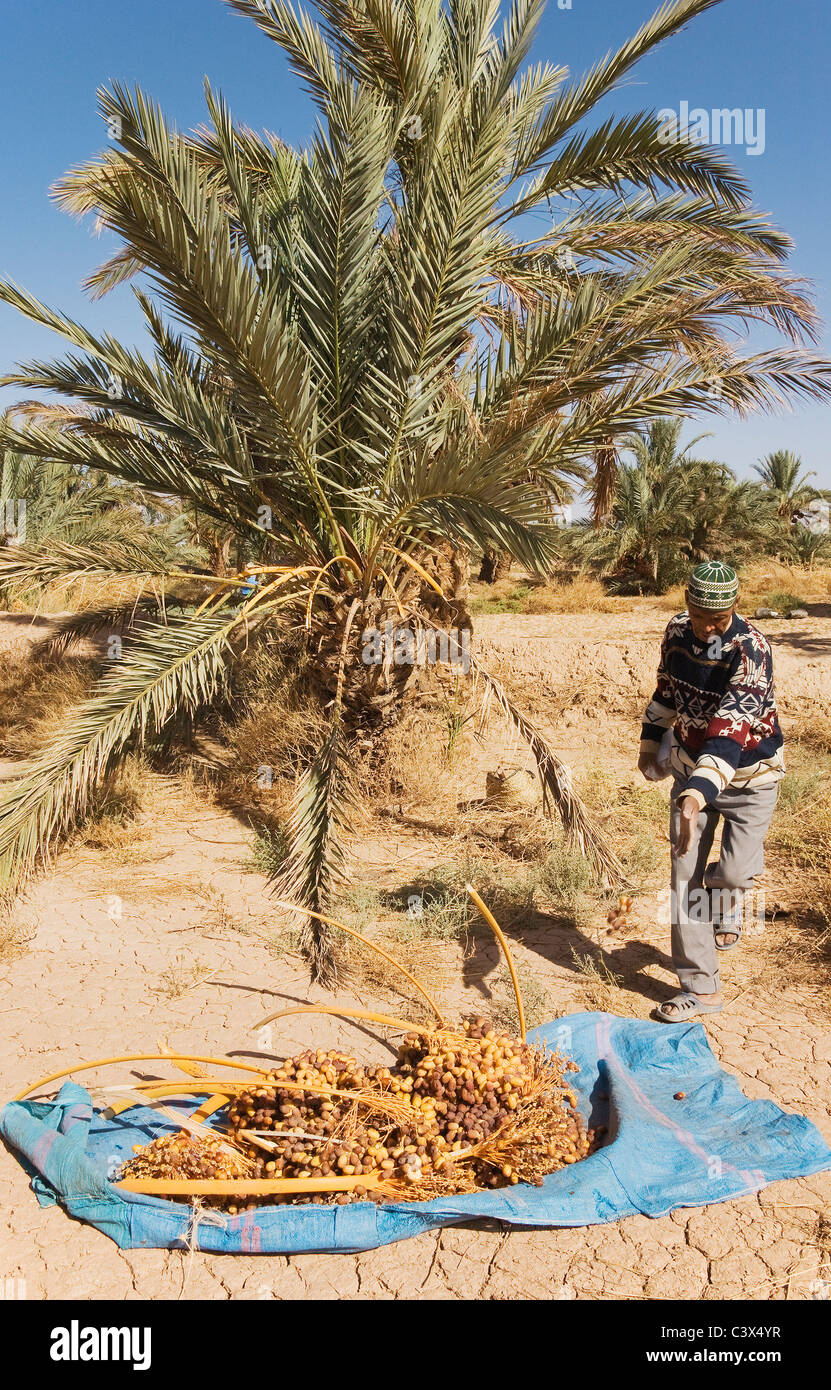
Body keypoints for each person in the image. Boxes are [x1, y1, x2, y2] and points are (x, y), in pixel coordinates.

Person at [638, 561, 784, 1022]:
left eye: (717, 620)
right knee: (685, 877)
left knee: (736, 875)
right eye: (699, 615)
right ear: (687, 604)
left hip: (749, 778)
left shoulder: (751, 650)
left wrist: (697, 792)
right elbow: (666, 689)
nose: (706, 627)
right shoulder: (677, 633)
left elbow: (729, 730)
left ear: (735, 609)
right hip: (690, 774)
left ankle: (727, 900)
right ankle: (701, 987)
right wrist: (649, 742)